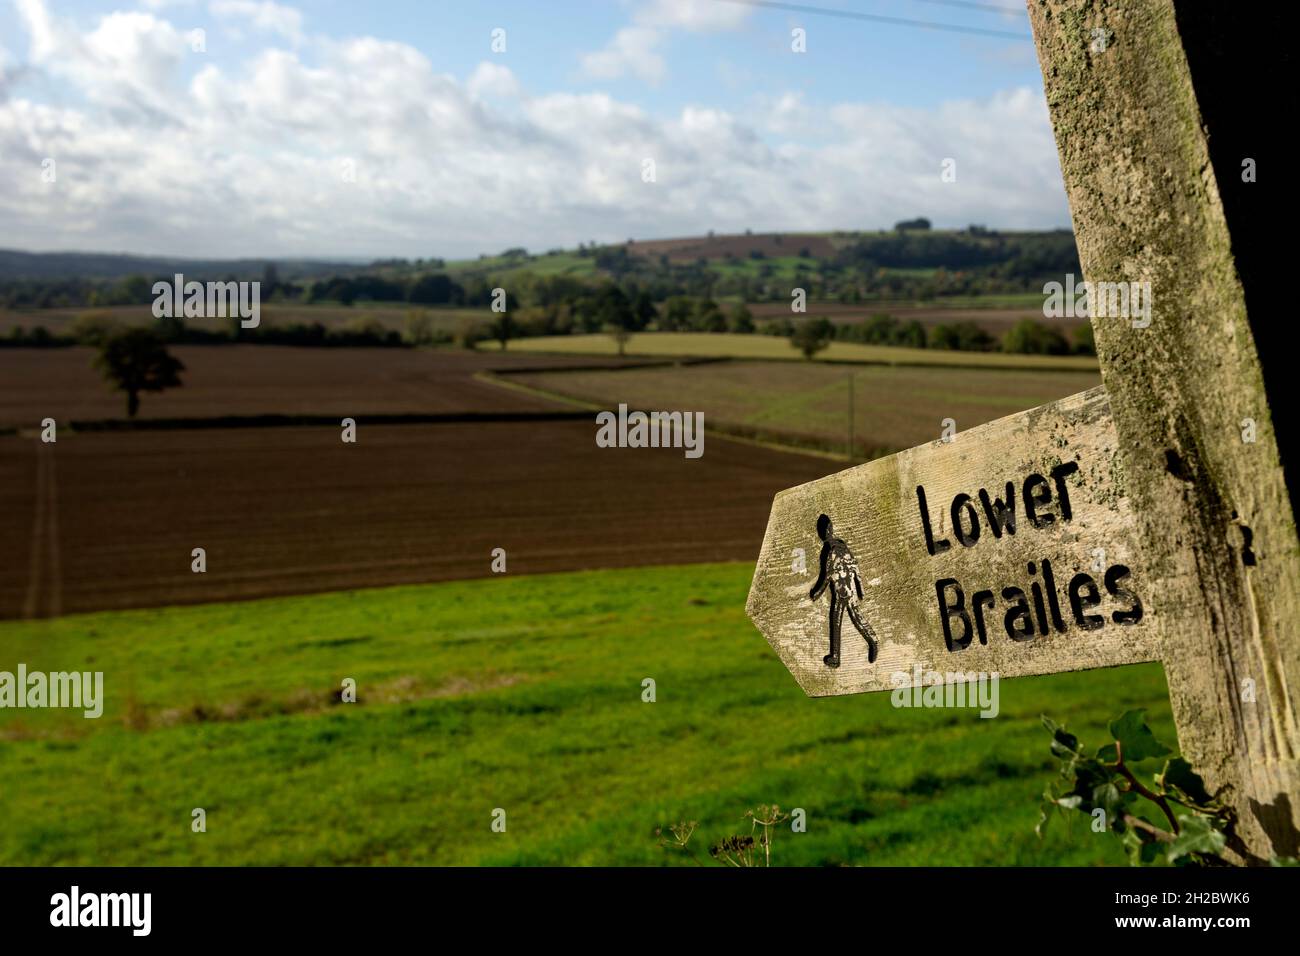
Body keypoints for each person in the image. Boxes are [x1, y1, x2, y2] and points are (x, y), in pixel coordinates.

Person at [809, 513, 878, 667]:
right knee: (851, 618)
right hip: (849, 590)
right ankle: (870, 642)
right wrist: (860, 589)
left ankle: (840, 654)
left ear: (824, 533)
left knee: (842, 620)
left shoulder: (832, 550)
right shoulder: (843, 547)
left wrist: (817, 593)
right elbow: (855, 568)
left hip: (842, 592)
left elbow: (827, 575)